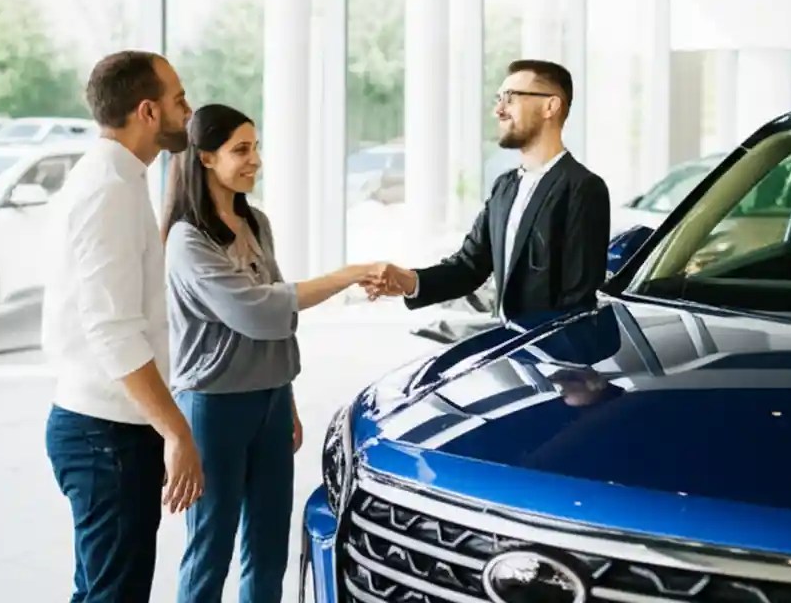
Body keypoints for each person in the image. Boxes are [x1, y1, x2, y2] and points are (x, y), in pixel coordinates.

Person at [162, 103, 383, 602]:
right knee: (209, 549)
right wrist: (347, 275)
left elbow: (276, 317)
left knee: (268, 548)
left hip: (270, 400)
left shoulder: (255, 221)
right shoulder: (186, 240)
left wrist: (286, 397)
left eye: (255, 147)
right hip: (213, 407)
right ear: (204, 159)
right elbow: (258, 311)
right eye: (240, 150)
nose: (254, 160)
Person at [42, 50, 203, 603]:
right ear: (147, 111)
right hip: (102, 435)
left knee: (103, 592)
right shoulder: (108, 189)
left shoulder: (123, 179)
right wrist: (176, 431)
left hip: (109, 431)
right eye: (179, 99)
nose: (189, 110)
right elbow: (112, 330)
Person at [364, 59, 611, 320]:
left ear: (550, 106)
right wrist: (408, 281)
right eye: (498, 99)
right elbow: (469, 268)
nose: (499, 110)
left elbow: (577, 304)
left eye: (510, 98)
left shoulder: (583, 189)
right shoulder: (505, 187)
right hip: (506, 350)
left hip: (547, 356)